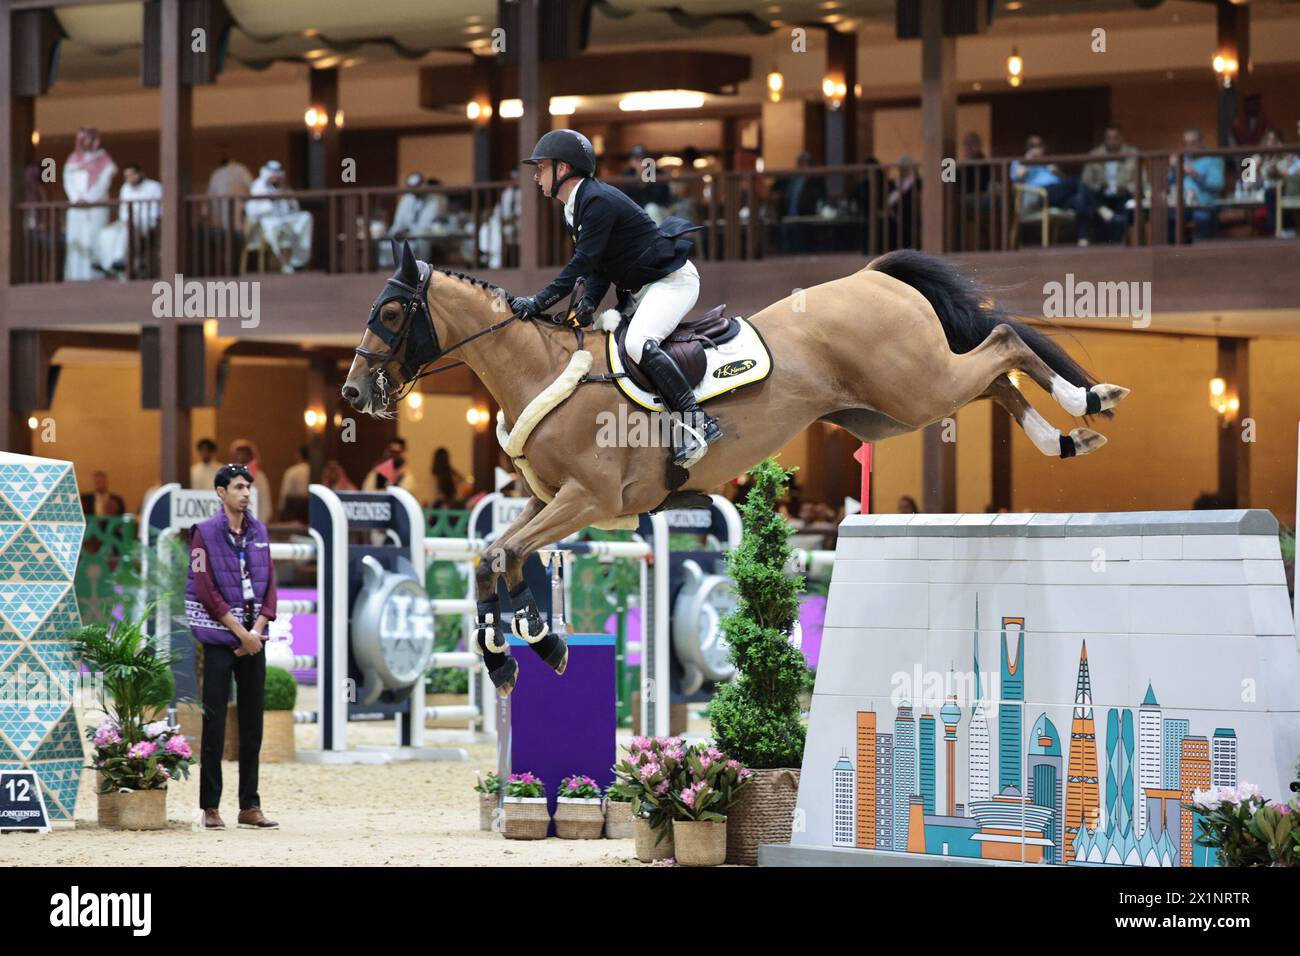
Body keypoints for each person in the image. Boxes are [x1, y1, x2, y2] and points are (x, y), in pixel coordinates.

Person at [512, 128, 721, 468]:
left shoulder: (595, 201)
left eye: (542, 167)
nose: (536, 175)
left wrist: (537, 302)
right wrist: (587, 304)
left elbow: (583, 262)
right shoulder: (573, 208)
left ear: (562, 169)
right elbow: (600, 266)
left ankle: (698, 423)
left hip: (671, 282)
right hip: (642, 289)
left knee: (639, 343)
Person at [187, 464, 279, 831]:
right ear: (221, 492)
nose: (246, 493)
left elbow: (270, 584)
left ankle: (249, 805)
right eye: (239, 487)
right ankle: (210, 806)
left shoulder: (260, 532)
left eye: (249, 487)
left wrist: (255, 631)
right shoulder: (203, 534)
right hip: (221, 640)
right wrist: (240, 632)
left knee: (253, 724)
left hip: (253, 641)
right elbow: (205, 588)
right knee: (215, 723)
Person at [1010, 134, 1090, 245]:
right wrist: (1029, 161)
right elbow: (1018, 177)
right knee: (1077, 180)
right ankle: (1100, 207)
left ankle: (1083, 238)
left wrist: (1057, 172)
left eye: (1039, 146)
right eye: (1032, 146)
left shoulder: (1048, 162)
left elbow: (1063, 181)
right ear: (1026, 148)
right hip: (1041, 195)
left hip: (1058, 196)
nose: (1036, 149)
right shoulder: (1019, 162)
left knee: (1080, 200)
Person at [63, 127, 117, 281]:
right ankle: (75, 276)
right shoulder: (72, 159)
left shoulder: (104, 160)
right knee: (76, 239)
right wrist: (77, 199)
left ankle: (95, 275)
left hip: (96, 207)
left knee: (94, 238)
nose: (88, 142)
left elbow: (103, 182)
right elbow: (68, 182)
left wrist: (89, 198)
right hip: (76, 208)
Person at [94, 163, 163, 277]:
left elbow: (158, 210)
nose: (129, 178)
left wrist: (137, 219)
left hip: (147, 222)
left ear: (140, 173)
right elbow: (123, 211)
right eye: (127, 176)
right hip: (127, 221)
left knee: (126, 231)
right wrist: (126, 220)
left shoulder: (154, 187)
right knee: (106, 232)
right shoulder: (125, 188)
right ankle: (105, 263)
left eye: (132, 175)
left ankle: (119, 259)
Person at [246, 160, 312, 272]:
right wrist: (272, 200)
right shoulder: (258, 186)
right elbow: (253, 210)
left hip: (286, 219)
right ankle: (284, 264)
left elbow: (294, 206)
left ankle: (298, 259)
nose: (275, 177)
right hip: (267, 221)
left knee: (305, 217)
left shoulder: (284, 187)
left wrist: (288, 201)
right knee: (278, 230)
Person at [1081, 125, 1138, 244]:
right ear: (1104, 139)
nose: (1112, 140)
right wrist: (1098, 185)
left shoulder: (1132, 153)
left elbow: (1140, 179)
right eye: (1109, 137)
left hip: (1124, 195)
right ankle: (1099, 211)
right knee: (1083, 193)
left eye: (1115, 137)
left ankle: (1119, 242)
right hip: (1101, 195)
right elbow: (1086, 180)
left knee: (1126, 207)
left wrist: (1127, 188)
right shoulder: (1094, 154)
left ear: (1121, 138)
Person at [1167, 127, 1225, 242]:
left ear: (1202, 142)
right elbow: (1170, 184)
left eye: (1192, 144)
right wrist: (1173, 168)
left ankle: (1201, 253)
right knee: (1167, 219)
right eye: (1186, 144)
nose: (1189, 148)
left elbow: (1218, 185)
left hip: (1205, 204)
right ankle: (1174, 254)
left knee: (1202, 218)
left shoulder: (1213, 158)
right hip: (1182, 205)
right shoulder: (1182, 158)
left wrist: (1196, 175)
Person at [229, 438, 273, 524]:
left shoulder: (260, 477)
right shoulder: (226, 475)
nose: (241, 456)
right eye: (238, 453)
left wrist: (259, 524)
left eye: (245, 453)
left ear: (251, 456)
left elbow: (266, 505)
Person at [206, 150, 253, 229]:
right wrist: (205, 210)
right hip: (220, 207)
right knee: (223, 229)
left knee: (238, 227)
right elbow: (210, 192)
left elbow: (251, 186)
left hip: (238, 205)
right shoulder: (216, 174)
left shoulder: (240, 169)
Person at [279, 445, 311, 522]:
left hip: (294, 512)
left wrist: (281, 511)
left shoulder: (292, 471)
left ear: (299, 455)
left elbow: (285, 494)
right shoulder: (315, 472)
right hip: (312, 510)